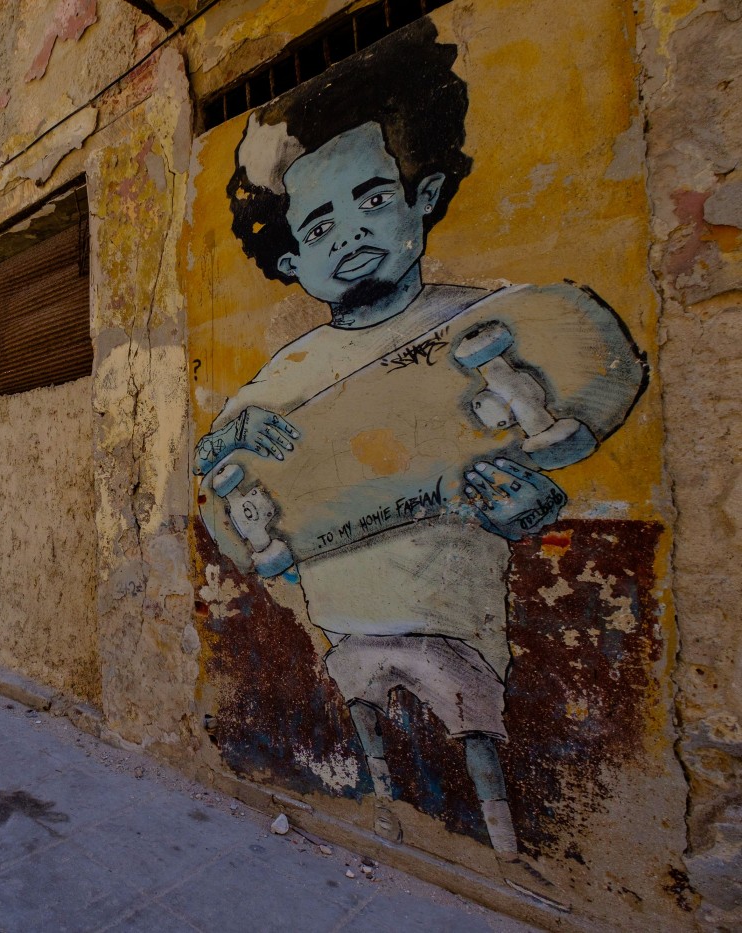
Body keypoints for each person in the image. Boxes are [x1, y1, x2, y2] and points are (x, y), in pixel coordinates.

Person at [194, 20, 644, 911]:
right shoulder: (283, 377)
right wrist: (234, 446)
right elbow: (216, 470)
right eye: (320, 224)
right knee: (364, 709)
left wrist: (527, 501)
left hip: (453, 597)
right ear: (292, 262)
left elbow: (563, 435)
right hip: (342, 595)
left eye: (373, 200)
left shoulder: (485, 322)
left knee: (474, 720)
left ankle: (505, 848)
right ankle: (388, 811)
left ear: (424, 195)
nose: (349, 235)